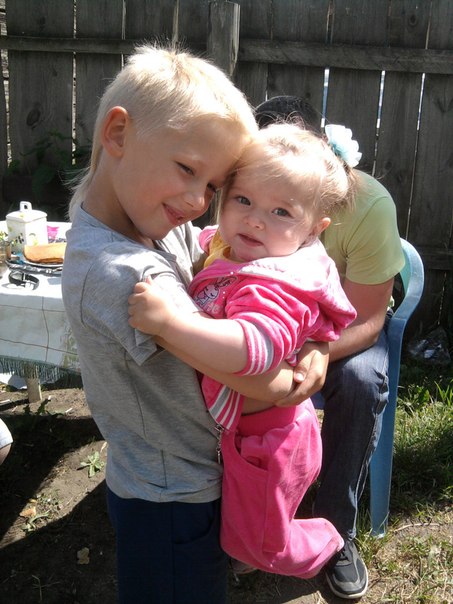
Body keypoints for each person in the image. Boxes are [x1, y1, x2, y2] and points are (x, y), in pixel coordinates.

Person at [62, 47, 328, 604]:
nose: (196, 201)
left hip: (172, 478)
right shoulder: (125, 275)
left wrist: (316, 342)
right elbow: (256, 377)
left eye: (213, 186)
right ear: (118, 134)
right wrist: (298, 375)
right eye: (187, 169)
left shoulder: (153, 221)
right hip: (171, 495)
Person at [128, 123, 357, 578]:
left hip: (268, 442)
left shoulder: (276, 285)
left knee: (255, 547)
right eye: (243, 200)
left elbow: (252, 352)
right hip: (245, 432)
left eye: (281, 211)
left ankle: (326, 543)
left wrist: (170, 324)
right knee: (239, 523)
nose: (255, 220)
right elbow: (210, 244)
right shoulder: (238, 246)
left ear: (314, 230)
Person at [255, 95, 405, 599]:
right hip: (267, 321)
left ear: (321, 150)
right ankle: (235, 513)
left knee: (361, 382)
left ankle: (336, 529)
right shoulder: (247, 195)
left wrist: (315, 351)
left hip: (343, 326)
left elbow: (368, 320)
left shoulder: (368, 206)